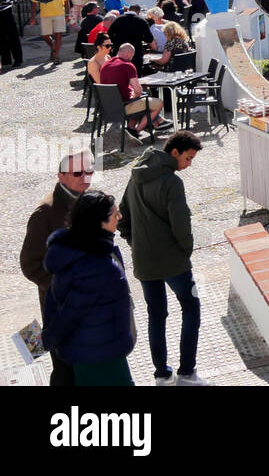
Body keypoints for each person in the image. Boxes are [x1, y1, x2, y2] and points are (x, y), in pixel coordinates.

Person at [119, 130, 208, 385]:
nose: (189, 165)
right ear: (174, 152)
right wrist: (185, 251)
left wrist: (135, 243)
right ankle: (187, 372)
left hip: (144, 260)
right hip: (173, 262)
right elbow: (182, 226)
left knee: (156, 315)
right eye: (188, 158)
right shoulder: (171, 182)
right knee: (191, 308)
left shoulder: (137, 172)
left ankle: (161, 375)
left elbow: (122, 214)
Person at [42, 190, 136, 386]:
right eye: (114, 214)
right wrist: (47, 338)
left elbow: (55, 302)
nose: (120, 217)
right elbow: (70, 312)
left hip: (86, 351)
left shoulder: (72, 251)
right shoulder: (97, 266)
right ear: (98, 222)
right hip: (101, 355)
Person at [20, 149, 95, 386]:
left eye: (89, 171)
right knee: (65, 372)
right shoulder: (45, 214)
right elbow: (30, 264)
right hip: (61, 308)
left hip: (91, 304)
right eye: (77, 173)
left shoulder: (90, 200)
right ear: (61, 176)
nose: (85, 178)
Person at [99, 43, 165, 138]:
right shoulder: (128, 65)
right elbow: (137, 90)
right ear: (128, 54)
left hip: (107, 107)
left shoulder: (105, 65)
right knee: (158, 103)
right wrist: (136, 95)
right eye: (132, 55)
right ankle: (135, 132)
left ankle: (132, 127)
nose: (132, 57)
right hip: (123, 107)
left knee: (137, 98)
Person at [30, 0, 71, 64]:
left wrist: (67, 14)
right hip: (45, 14)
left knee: (58, 35)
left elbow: (66, 1)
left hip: (59, 14)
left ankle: (56, 56)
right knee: (45, 36)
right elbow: (34, 2)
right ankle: (53, 47)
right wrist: (32, 17)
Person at [0, 0, 22, 70]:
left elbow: (11, 0)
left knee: (13, 38)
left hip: (7, 14)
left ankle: (18, 60)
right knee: (2, 39)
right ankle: (6, 61)